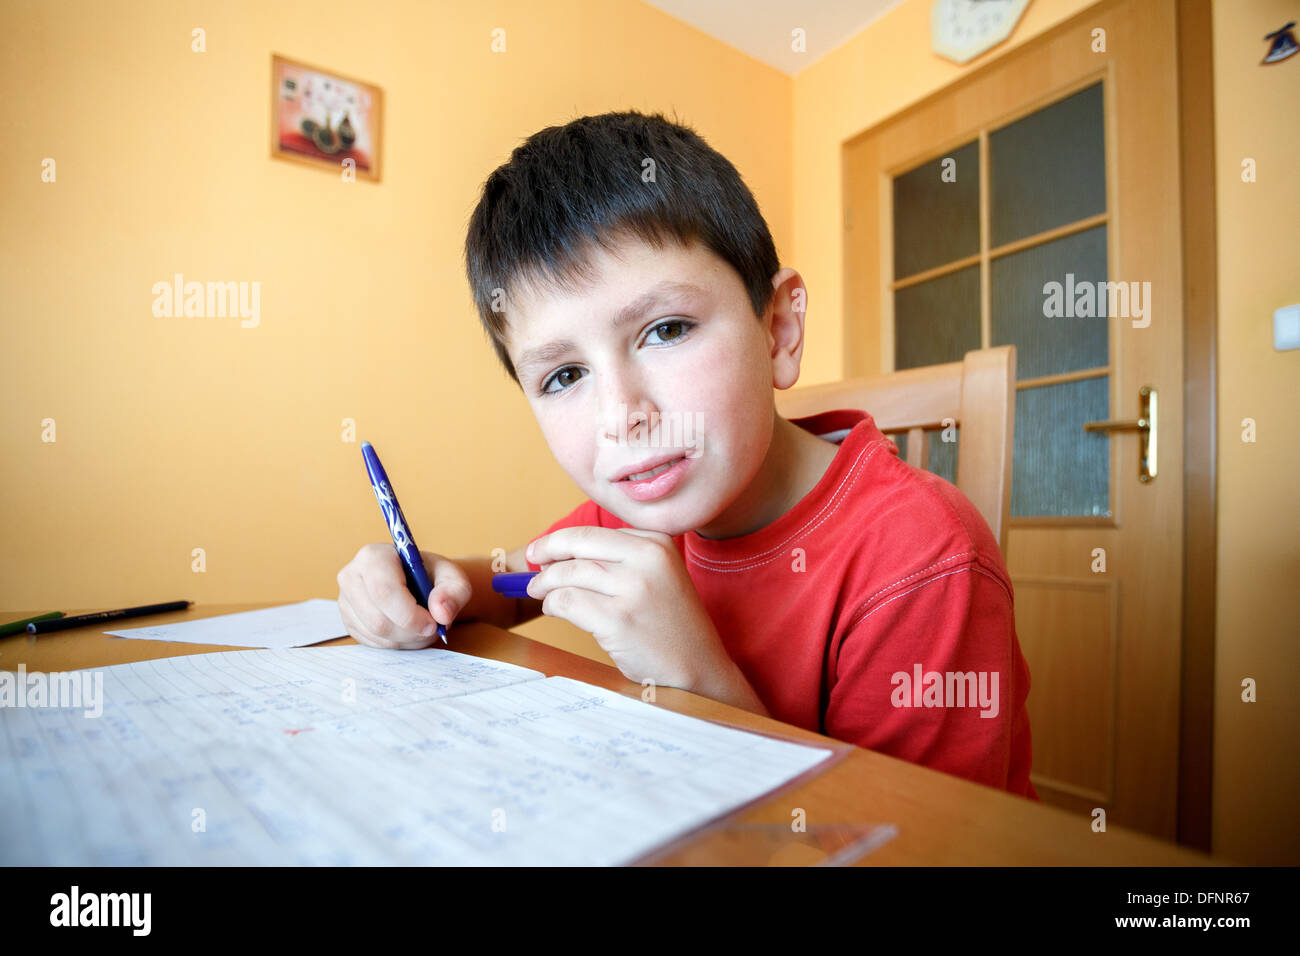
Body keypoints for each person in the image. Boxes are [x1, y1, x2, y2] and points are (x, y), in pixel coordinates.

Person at [337, 110, 1037, 798]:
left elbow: (902, 846)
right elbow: (519, 582)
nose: (623, 417)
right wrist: (430, 582)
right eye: (564, 376)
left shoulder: (922, 558)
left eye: (667, 330)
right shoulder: (640, 506)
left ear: (780, 328)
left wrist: (698, 679)